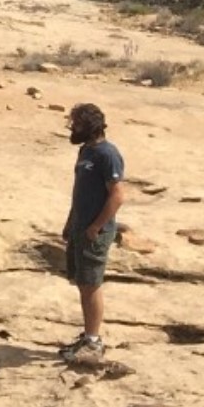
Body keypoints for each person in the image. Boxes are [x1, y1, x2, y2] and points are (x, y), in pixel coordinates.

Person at [60, 102, 125, 362]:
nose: (71, 127)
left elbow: (118, 195)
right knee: (83, 283)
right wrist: (70, 222)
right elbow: (81, 191)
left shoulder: (107, 154)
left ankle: (94, 342)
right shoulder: (86, 150)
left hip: (94, 232)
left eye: (75, 123)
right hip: (79, 226)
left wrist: (96, 227)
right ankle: (88, 335)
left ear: (88, 126)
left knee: (91, 284)